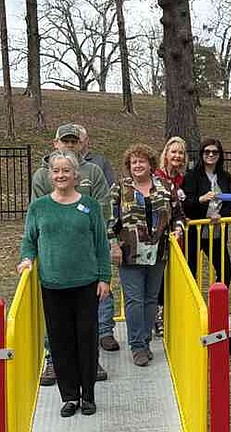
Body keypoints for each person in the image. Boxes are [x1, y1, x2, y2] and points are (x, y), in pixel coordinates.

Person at [19, 150, 111, 417]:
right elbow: (29, 240)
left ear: (75, 175)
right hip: (53, 284)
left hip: (86, 284)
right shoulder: (39, 207)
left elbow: (101, 245)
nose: (61, 175)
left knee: (86, 340)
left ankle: (88, 396)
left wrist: (104, 277)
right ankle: (69, 396)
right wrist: (27, 259)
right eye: (56, 171)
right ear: (51, 176)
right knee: (61, 343)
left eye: (66, 171)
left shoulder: (90, 206)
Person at [31, 123, 114, 386]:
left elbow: (104, 208)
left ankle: (91, 360)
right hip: (55, 258)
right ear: (56, 144)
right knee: (56, 317)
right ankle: (53, 361)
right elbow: (37, 217)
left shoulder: (94, 172)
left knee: (86, 318)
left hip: (86, 256)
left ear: (82, 144)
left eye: (73, 141)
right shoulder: (42, 175)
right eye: (64, 141)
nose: (69, 146)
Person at [108, 144, 183, 367]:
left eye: (142, 161)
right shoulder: (120, 188)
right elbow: (111, 221)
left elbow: (178, 214)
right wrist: (113, 245)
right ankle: (137, 345)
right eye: (134, 162)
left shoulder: (165, 186)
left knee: (151, 298)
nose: (138, 165)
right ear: (129, 166)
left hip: (158, 252)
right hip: (130, 253)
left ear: (151, 164)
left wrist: (178, 227)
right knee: (134, 300)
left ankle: (146, 341)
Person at [74, 123, 119, 355]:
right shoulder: (55, 168)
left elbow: (108, 197)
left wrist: (108, 236)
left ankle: (105, 331)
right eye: (70, 141)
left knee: (103, 284)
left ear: (86, 141)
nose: (75, 145)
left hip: (96, 236)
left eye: (79, 140)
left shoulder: (98, 164)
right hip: (71, 242)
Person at [182, 138, 231, 287]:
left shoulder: (225, 177)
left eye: (215, 152)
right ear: (201, 154)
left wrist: (221, 215)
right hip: (195, 230)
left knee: (225, 271)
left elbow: (230, 203)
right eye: (207, 151)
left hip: (216, 232)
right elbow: (186, 203)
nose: (211, 155)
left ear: (220, 155)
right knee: (190, 271)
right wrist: (201, 199)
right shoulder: (192, 176)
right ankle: (193, 308)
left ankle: (216, 306)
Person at [153, 136, 188, 336]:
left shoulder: (183, 179)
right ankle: (157, 317)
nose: (177, 156)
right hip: (159, 236)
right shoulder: (157, 177)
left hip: (179, 233)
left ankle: (171, 314)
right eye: (173, 152)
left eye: (181, 152)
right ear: (166, 154)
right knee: (159, 277)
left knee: (175, 275)